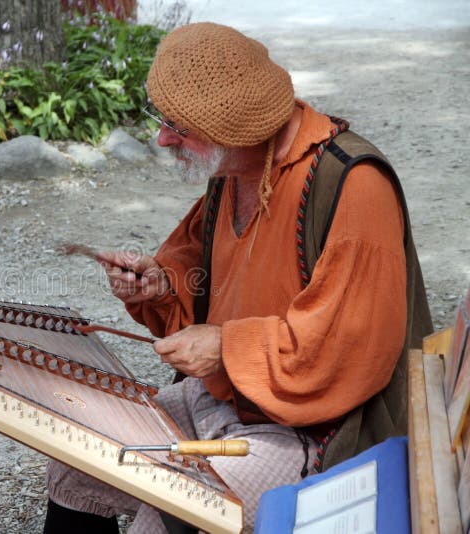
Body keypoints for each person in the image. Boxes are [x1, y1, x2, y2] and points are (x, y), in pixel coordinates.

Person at [42, 22, 432, 532]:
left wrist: (227, 348)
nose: (162, 138)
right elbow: (200, 269)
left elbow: (349, 350)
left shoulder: (352, 186)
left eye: (177, 127)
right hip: (221, 400)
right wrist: (160, 283)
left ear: (234, 129)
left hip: (318, 434)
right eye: (161, 119)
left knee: (176, 503)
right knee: (78, 454)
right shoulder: (236, 172)